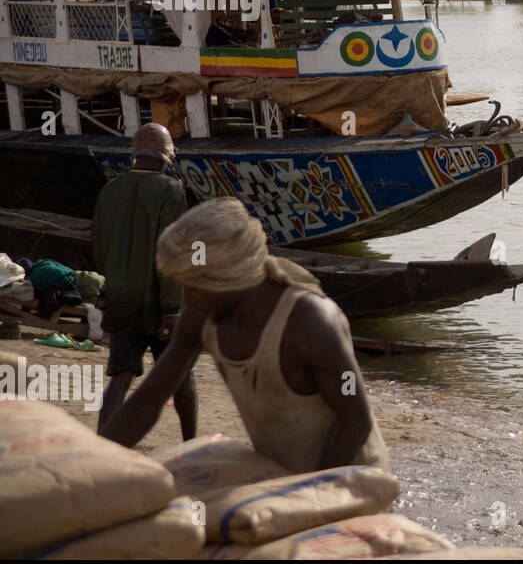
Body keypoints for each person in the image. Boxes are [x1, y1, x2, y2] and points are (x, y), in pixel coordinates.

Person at [102, 198, 389, 474]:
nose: (188, 297)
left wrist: (312, 494)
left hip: (349, 475)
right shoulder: (199, 316)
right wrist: (95, 463)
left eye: (197, 287)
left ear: (231, 278)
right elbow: (147, 403)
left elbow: (356, 421)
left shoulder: (311, 322)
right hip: (278, 474)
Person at [94, 123, 195, 440]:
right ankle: (191, 446)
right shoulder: (171, 190)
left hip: (121, 298)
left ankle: (102, 445)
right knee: (181, 377)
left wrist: (117, 282)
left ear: (134, 153)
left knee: (121, 375)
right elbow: (171, 253)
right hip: (159, 302)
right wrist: (172, 308)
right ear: (167, 154)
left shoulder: (110, 189)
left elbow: (98, 247)